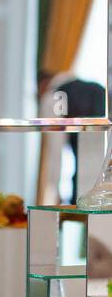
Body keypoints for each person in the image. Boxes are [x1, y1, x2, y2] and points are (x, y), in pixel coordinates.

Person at [40, 69, 107, 203]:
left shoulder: (55, 96)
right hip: (104, 182)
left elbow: (56, 150)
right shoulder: (97, 88)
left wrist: (55, 189)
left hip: (82, 188)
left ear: (42, 84)